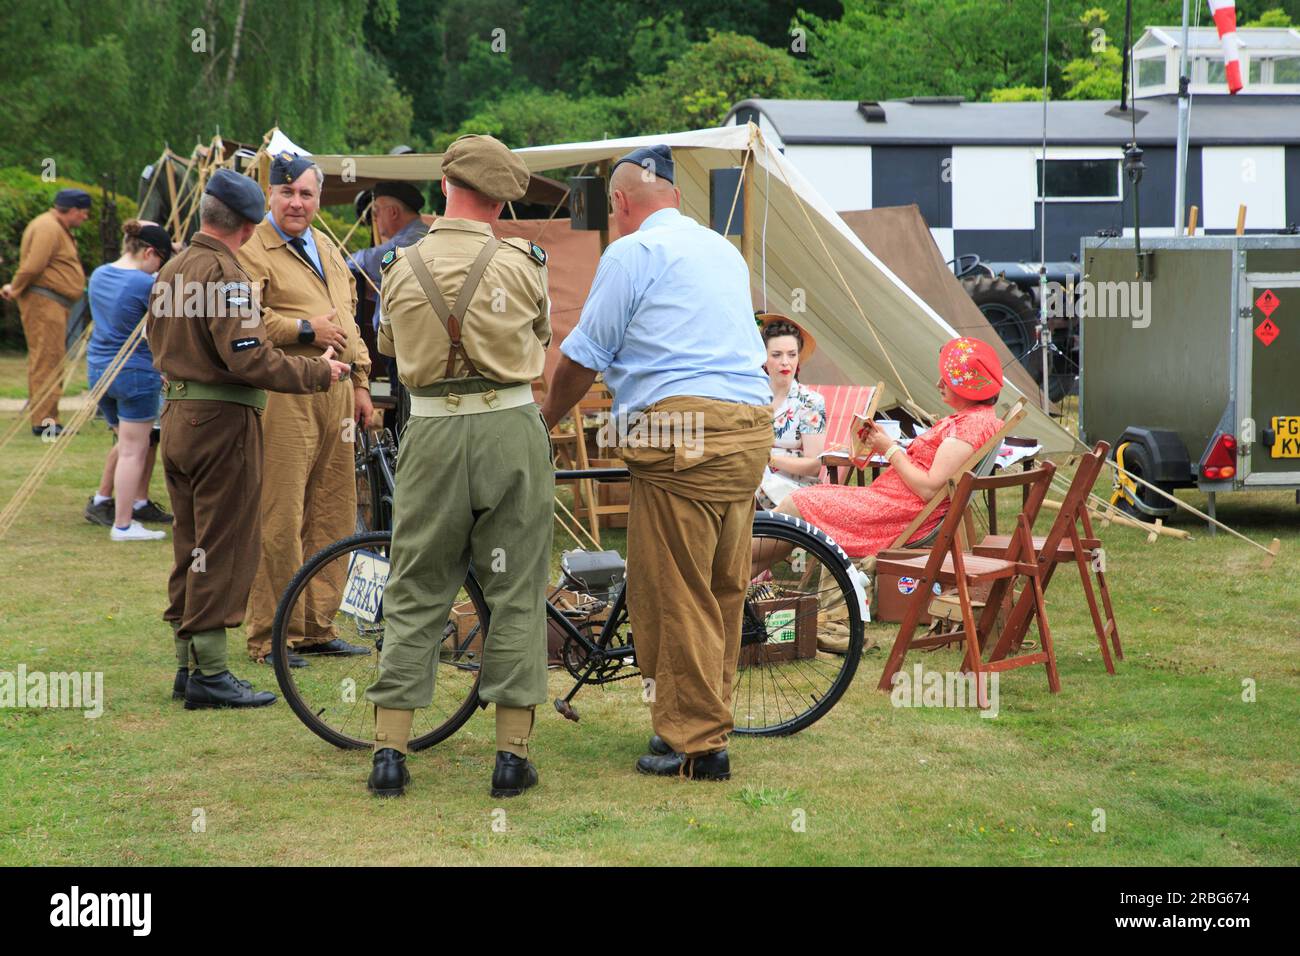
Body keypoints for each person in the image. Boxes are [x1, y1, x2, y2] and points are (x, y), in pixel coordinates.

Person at [542, 144, 772, 782]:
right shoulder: (720, 249)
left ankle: (697, 742)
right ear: (674, 194)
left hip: (682, 431)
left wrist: (545, 418)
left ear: (619, 202)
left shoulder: (632, 252)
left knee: (676, 593)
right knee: (722, 587)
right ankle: (703, 717)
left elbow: (584, 354)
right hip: (750, 427)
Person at [363, 134, 552, 799]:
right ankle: (511, 756)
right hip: (509, 427)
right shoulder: (525, 261)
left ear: (445, 186)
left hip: (433, 431)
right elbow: (540, 339)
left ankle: (389, 753)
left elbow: (389, 347)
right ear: (502, 198)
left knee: (415, 587)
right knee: (516, 589)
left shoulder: (398, 263)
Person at [147, 168, 351, 709]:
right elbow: (249, 358)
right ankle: (211, 674)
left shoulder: (172, 268)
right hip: (223, 424)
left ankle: (186, 665)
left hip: (179, 419)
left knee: (189, 545)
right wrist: (318, 374)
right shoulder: (228, 274)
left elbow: (159, 343)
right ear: (247, 223)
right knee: (223, 547)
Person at [236, 153, 374, 667]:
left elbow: (352, 322)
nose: (297, 202)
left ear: (318, 198)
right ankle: (272, 633)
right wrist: (304, 329)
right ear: (270, 195)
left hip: (336, 393)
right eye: (287, 192)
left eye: (306, 194)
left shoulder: (329, 248)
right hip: (285, 393)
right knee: (281, 511)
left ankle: (317, 625)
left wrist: (361, 383)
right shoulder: (252, 248)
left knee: (334, 509)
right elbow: (243, 317)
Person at [758, 337, 1005, 564]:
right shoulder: (972, 420)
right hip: (892, 504)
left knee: (796, 504)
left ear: (966, 388)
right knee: (796, 518)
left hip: (897, 516)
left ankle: (727, 566)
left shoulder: (968, 429)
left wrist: (888, 449)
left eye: (947, 380)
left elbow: (928, 489)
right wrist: (887, 445)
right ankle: (736, 586)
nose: (939, 383)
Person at [84, 220, 175, 541]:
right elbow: (165, 329)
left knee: (125, 445)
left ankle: (106, 502)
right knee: (134, 450)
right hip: (135, 374)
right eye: (160, 262)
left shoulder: (99, 274)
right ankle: (123, 524)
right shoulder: (144, 284)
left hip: (98, 371)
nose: (158, 269)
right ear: (150, 252)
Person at [1, 188, 91, 437]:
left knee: (49, 359)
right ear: (72, 210)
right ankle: (45, 422)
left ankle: (47, 417)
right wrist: (15, 287)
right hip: (44, 303)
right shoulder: (48, 227)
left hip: (52, 303)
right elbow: (33, 265)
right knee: (47, 360)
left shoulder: (53, 226)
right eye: (84, 213)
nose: (85, 218)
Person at [755, 314, 826, 510]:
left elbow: (814, 465)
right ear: (764, 358)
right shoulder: (753, 397)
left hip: (793, 488)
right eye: (776, 355)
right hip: (751, 477)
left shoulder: (810, 402)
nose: (785, 362)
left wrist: (769, 458)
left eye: (792, 354)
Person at [348, 181, 429, 295]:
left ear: (393, 212)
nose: (374, 219)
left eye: (376, 212)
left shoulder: (413, 239)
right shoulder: (422, 233)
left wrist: (346, 261)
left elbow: (372, 259)